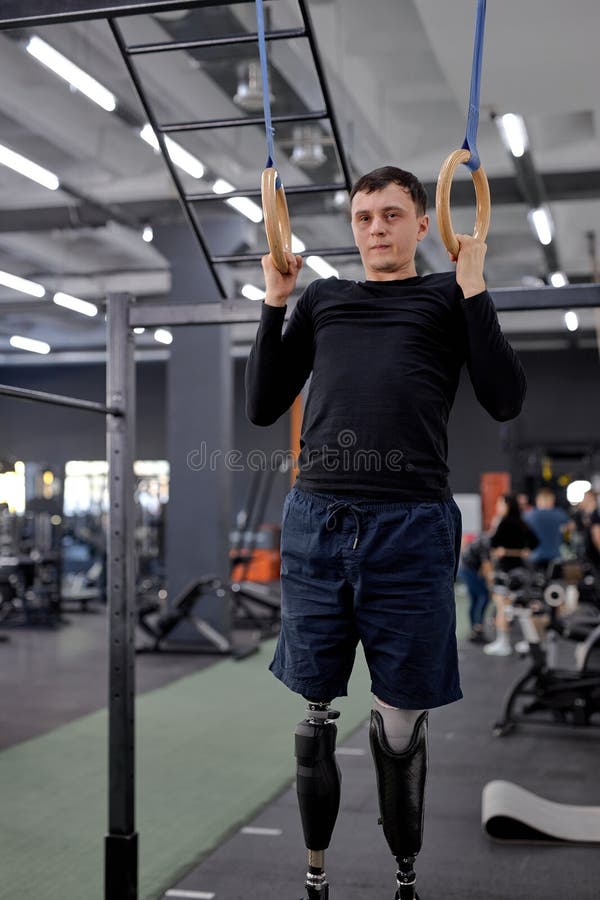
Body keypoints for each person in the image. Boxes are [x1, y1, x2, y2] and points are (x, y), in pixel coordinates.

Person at [245, 166, 526, 900]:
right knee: (314, 716)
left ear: (422, 223)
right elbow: (263, 403)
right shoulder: (324, 299)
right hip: (319, 518)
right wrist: (274, 305)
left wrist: (474, 286)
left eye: (392, 215)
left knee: (400, 723)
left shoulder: (443, 296)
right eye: (365, 216)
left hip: (411, 524)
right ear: (353, 224)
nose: (377, 229)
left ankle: (405, 873)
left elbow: (504, 398)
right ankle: (316, 876)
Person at [483, 493, 539, 656]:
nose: (498, 507)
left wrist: (501, 549)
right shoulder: (522, 523)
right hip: (521, 570)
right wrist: (525, 551)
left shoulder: (504, 522)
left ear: (507, 505)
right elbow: (535, 542)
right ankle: (529, 641)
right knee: (521, 606)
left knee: (502, 606)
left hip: (505, 571)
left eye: (500, 504)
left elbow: (492, 543)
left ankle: (503, 642)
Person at [524, 487, 569, 571]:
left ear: (538, 500)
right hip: (555, 557)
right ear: (552, 500)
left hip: (535, 557)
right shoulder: (560, 514)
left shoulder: (529, 515)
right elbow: (569, 528)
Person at [458, 533, 492, 643]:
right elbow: (487, 565)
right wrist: (491, 583)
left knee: (475, 599)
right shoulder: (487, 543)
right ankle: (478, 628)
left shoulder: (484, 538)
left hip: (467, 569)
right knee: (484, 596)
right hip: (468, 570)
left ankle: (474, 629)